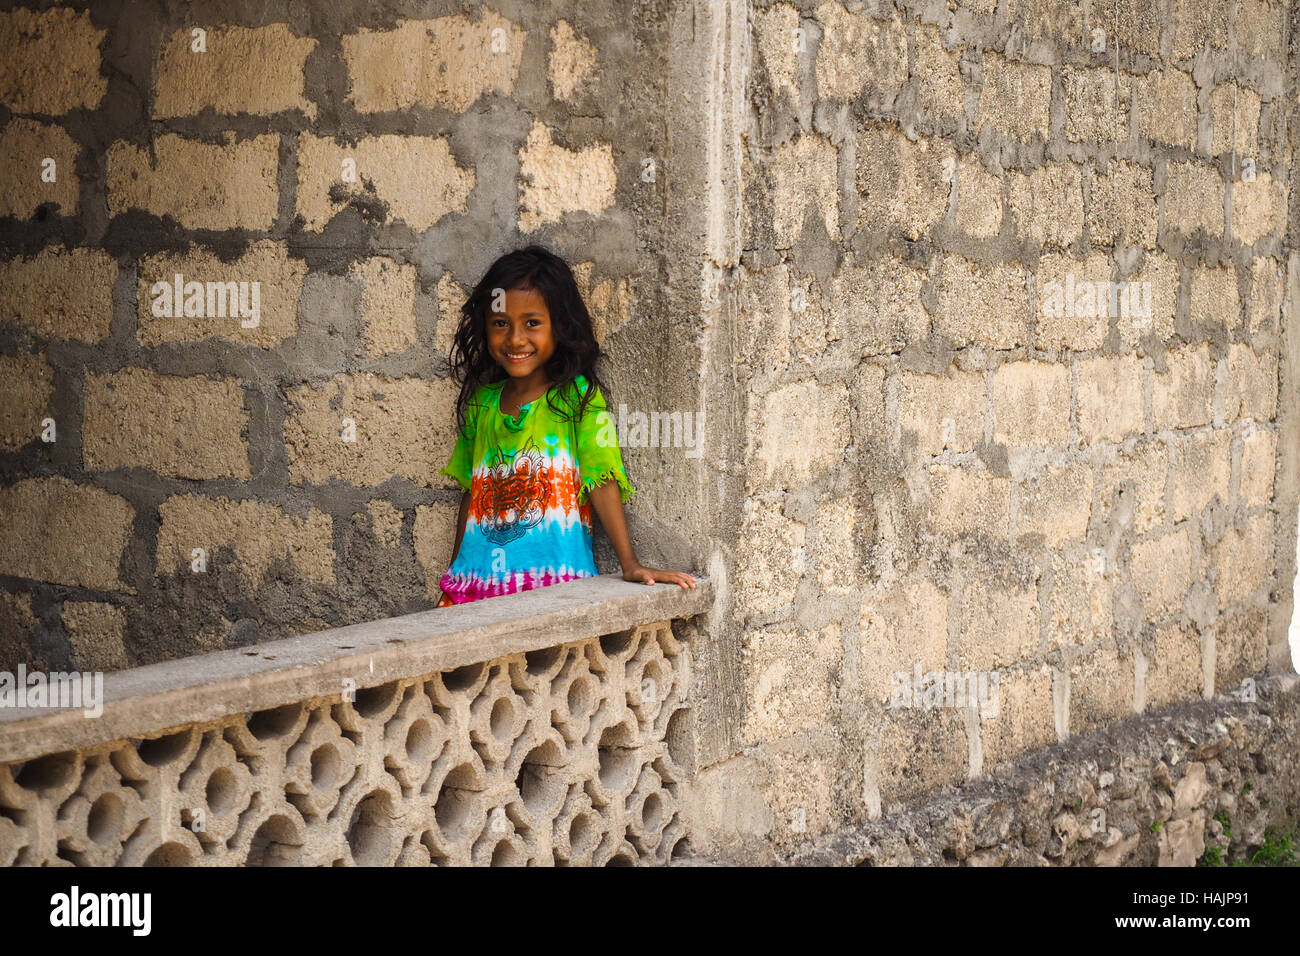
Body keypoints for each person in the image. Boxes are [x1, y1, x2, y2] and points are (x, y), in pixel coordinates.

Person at [436, 245, 697, 606]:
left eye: (532, 323)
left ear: (558, 327)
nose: (515, 339)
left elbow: (601, 479)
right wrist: (456, 573)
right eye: (500, 323)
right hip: (479, 585)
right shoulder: (483, 403)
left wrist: (630, 564)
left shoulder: (578, 399)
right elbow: (473, 490)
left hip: (555, 584)